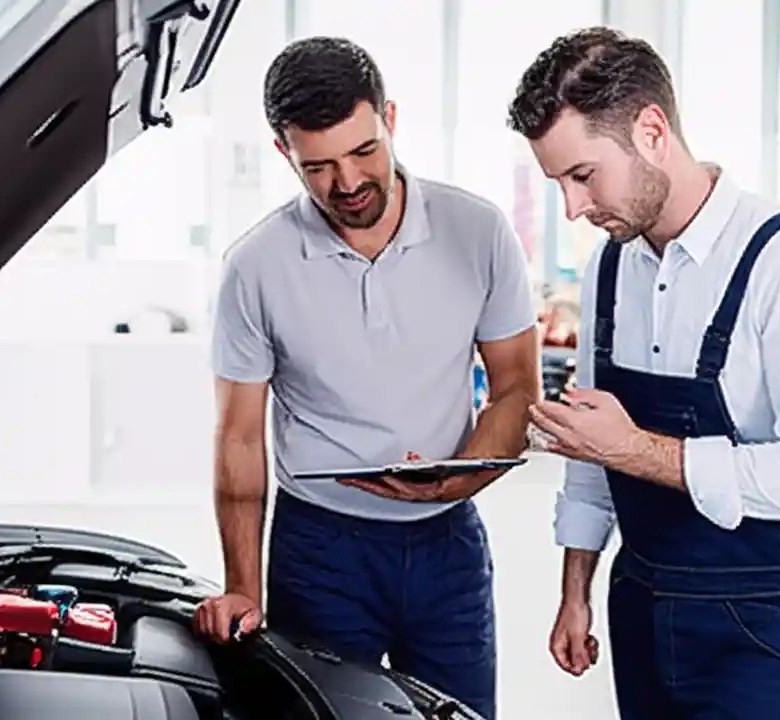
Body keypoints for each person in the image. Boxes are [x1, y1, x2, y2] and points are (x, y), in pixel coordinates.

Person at [509, 27, 780, 719]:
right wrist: (574, 587)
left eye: (582, 176)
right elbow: (593, 451)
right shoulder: (609, 268)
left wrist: (636, 450)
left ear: (651, 131)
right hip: (641, 601)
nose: (573, 209)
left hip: (767, 620)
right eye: (558, 184)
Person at [192, 36, 539, 719]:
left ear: (391, 120)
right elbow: (238, 437)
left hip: (448, 548)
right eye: (317, 166)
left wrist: (459, 476)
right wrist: (242, 585)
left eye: (363, 151)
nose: (347, 183)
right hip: (320, 551)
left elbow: (516, 390)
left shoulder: (479, 231)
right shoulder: (255, 266)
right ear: (283, 154)